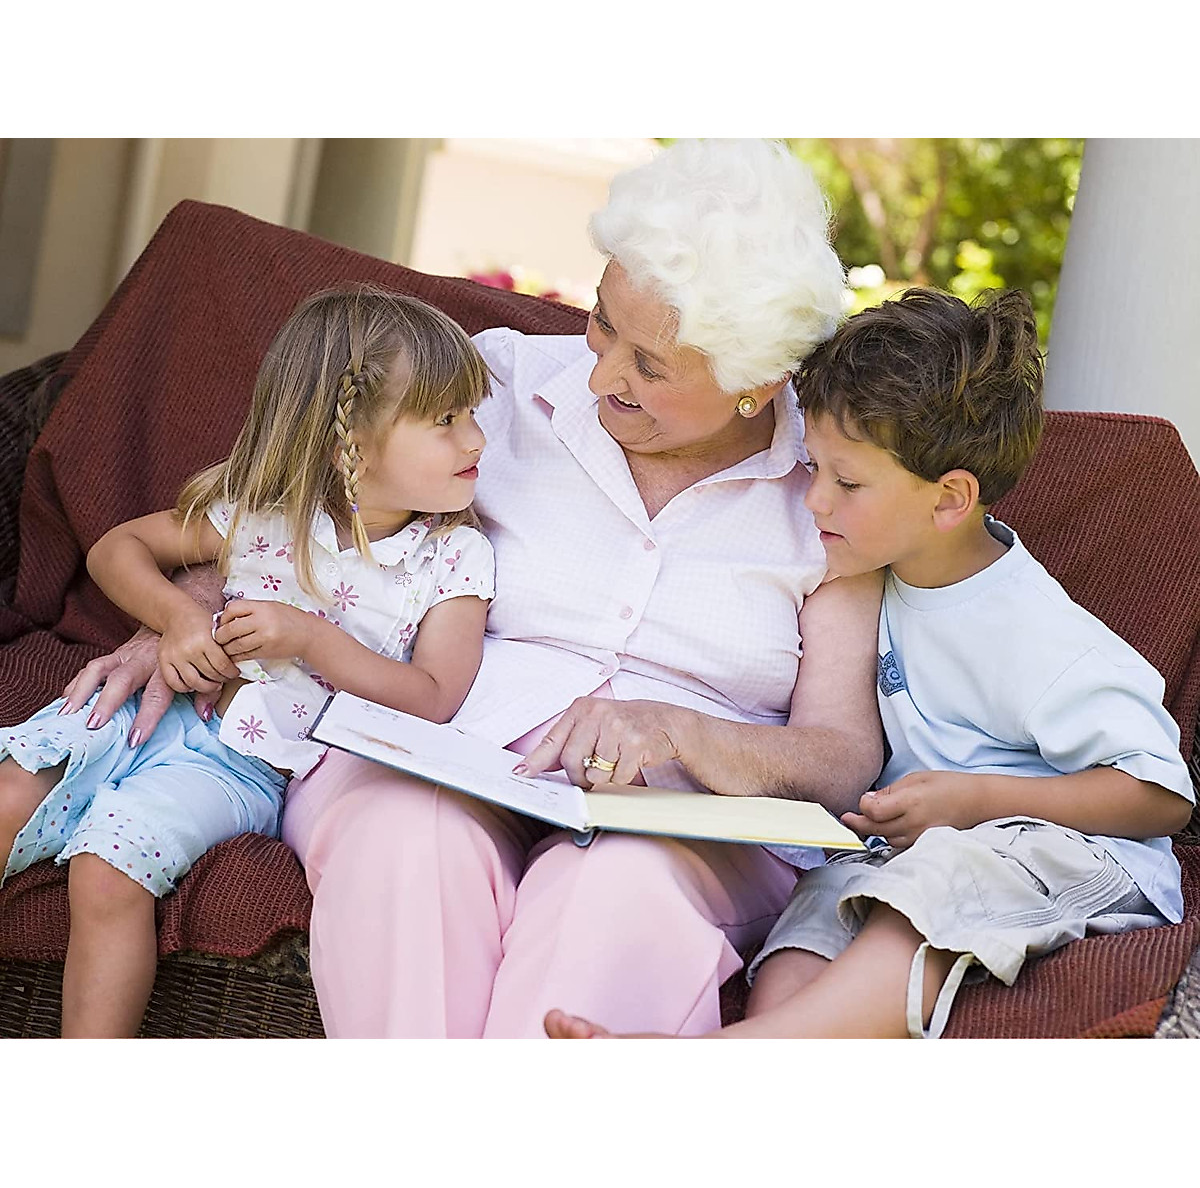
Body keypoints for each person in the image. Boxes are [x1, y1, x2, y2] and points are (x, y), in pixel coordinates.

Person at [62, 138, 885, 1038]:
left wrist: (687, 731)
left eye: (650, 367)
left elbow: (843, 756)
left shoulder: (832, 484)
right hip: (436, 745)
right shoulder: (497, 382)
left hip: (682, 819)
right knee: (403, 840)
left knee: (616, 893)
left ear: (755, 383)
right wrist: (188, 614)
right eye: (604, 321)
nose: (601, 372)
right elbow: (319, 508)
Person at [544, 287, 1194, 1040]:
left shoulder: (1029, 625)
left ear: (950, 499)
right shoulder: (873, 574)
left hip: (1070, 854)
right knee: (811, 919)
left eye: (846, 482)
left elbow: (1158, 796)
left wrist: (972, 802)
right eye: (814, 466)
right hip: (911, 848)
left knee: (930, 885)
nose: (813, 500)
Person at [0, 284, 495, 1037]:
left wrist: (315, 640)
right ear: (348, 447)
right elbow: (117, 549)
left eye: (472, 415)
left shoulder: (451, 559)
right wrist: (177, 617)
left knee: (108, 871)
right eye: (446, 421)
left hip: (239, 765)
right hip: (137, 710)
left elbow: (435, 696)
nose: (476, 442)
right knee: (4, 801)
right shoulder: (264, 514)